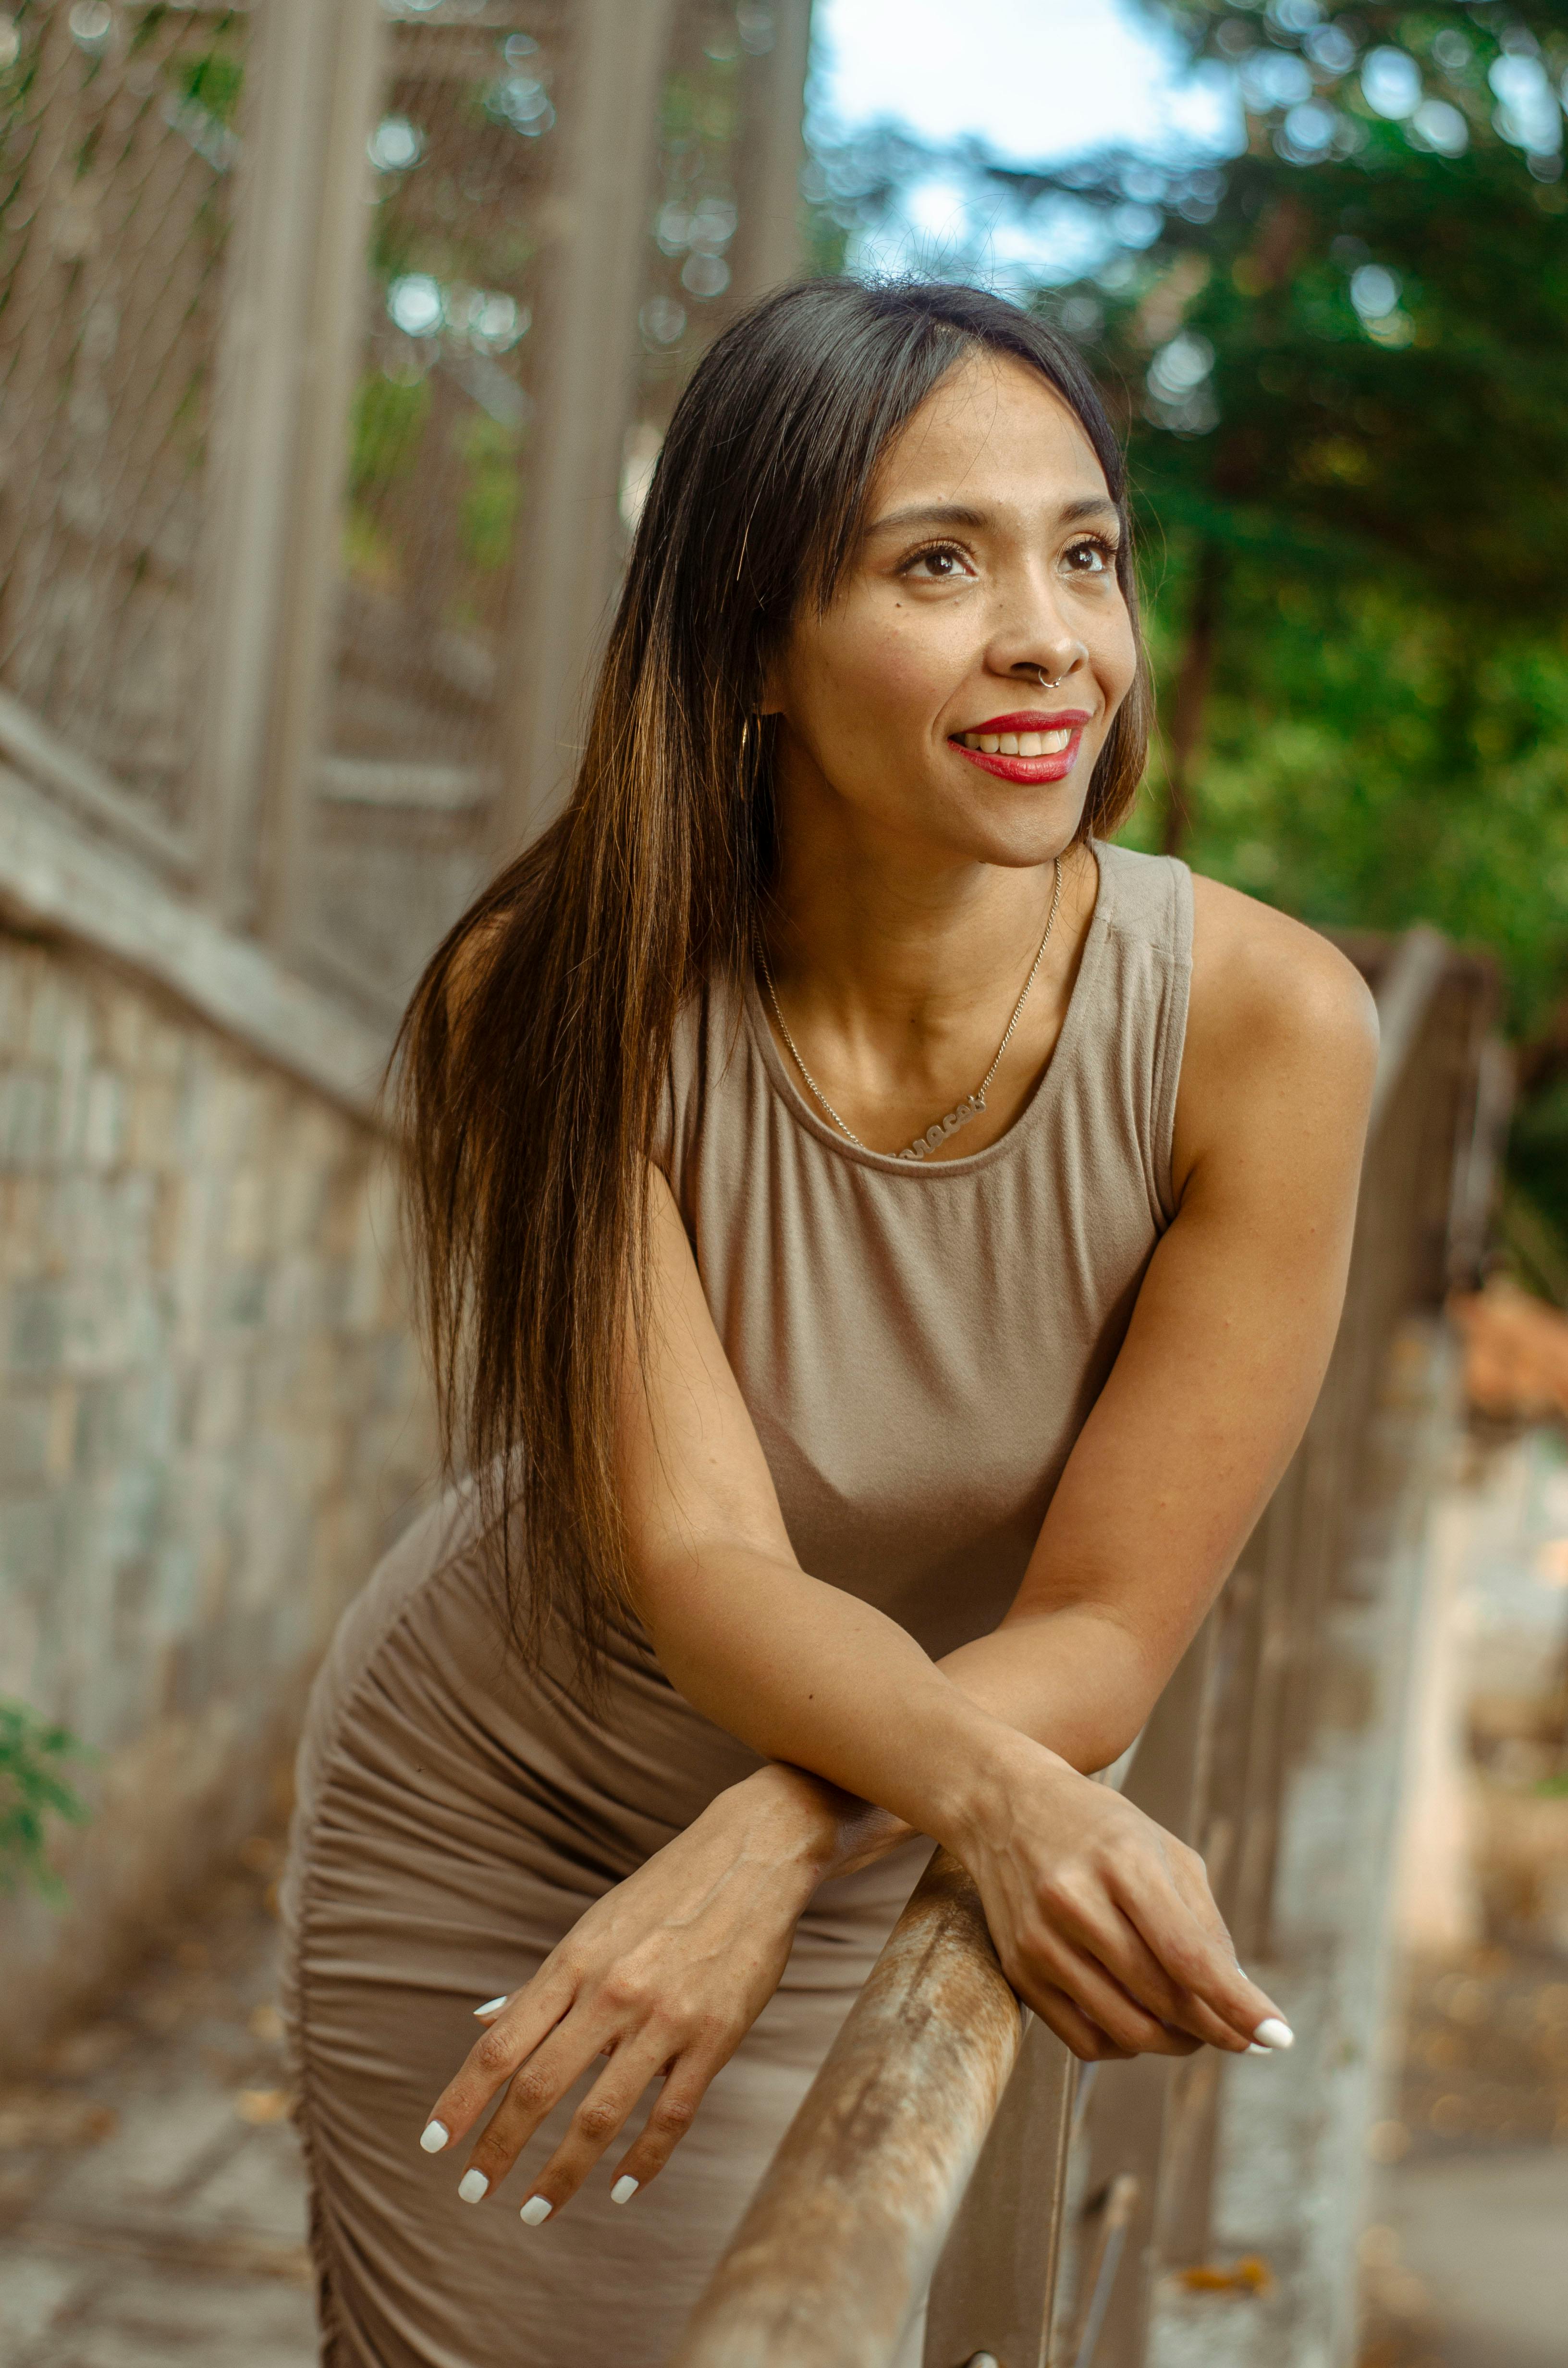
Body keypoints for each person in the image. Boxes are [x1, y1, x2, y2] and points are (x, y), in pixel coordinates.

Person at [281, 278, 1377, 2368]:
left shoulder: (1263, 1029)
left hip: (914, 1825)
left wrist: (795, 1817)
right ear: (754, 642)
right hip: (507, 1807)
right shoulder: (557, 992)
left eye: (1086, 551)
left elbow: (1112, 1625)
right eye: (937, 563)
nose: (1049, 633)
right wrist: (986, 1789)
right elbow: (701, 1558)